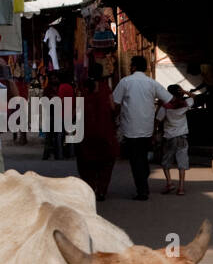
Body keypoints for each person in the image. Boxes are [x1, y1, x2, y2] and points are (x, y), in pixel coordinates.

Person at [112, 55, 172, 200]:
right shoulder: (152, 83)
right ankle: (143, 186)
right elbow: (169, 99)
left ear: (133, 67)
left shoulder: (125, 82)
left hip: (130, 127)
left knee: (136, 159)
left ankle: (142, 190)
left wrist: (116, 119)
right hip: (147, 128)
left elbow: (115, 102)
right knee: (142, 157)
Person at [75, 63, 117, 201]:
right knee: (106, 162)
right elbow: (112, 107)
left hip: (86, 131)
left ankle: (90, 188)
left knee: (86, 163)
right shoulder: (106, 88)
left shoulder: (83, 88)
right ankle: (102, 190)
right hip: (105, 131)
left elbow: (77, 110)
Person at [156, 84, 194, 196]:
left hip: (169, 137)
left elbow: (158, 119)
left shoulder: (165, 107)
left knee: (166, 161)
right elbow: (195, 97)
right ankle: (181, 188)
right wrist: (185, 92)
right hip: (182, 136)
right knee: (182, 163)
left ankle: (169, 183)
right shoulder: (185, 104)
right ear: (180, 93)